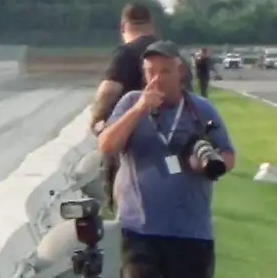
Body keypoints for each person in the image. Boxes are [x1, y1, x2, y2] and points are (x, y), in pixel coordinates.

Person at [97, 41, 236, 278]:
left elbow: (228, 156)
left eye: (164, 71)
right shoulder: (131, 102)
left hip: (190, 233)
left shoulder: (200, 109)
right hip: (139, 231)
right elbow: (107, 145)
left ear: (180, 72)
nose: (156, 79)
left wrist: (203, 163)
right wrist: (139, 110)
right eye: (150, 72)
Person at [90, 3, 159, 210]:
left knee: (126, 203)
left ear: (123, 27)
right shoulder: (170, 53)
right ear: (152, 25)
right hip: (170, 138)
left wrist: (96, 120)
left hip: (131, 141)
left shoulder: (126, 53)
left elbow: (108, 91)